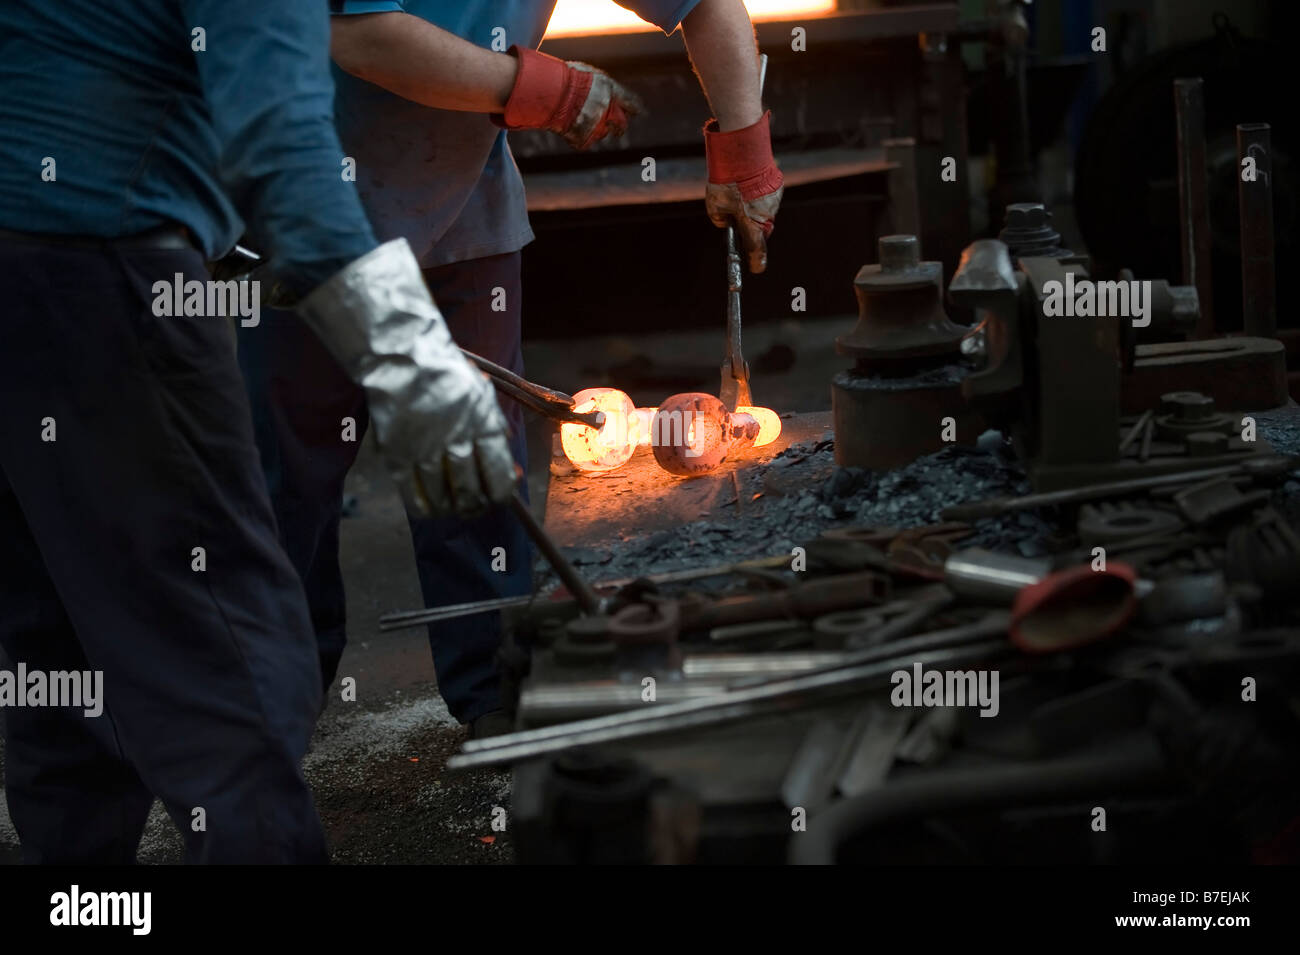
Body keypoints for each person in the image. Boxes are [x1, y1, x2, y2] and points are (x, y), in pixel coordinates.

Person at [0, 0, 514, 863]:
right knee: (228, 659)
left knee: (63, 643)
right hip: (100, 273)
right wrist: (410, 354)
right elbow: (279, 143)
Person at [238, 0, 784, 737]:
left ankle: (495, 698)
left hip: (466, 220)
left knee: (476, 476)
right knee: (288, 489)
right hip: (303, 212)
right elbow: (362, 36)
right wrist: (545, 91)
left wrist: (745, 151)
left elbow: (707, 4)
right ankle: (266, 726)